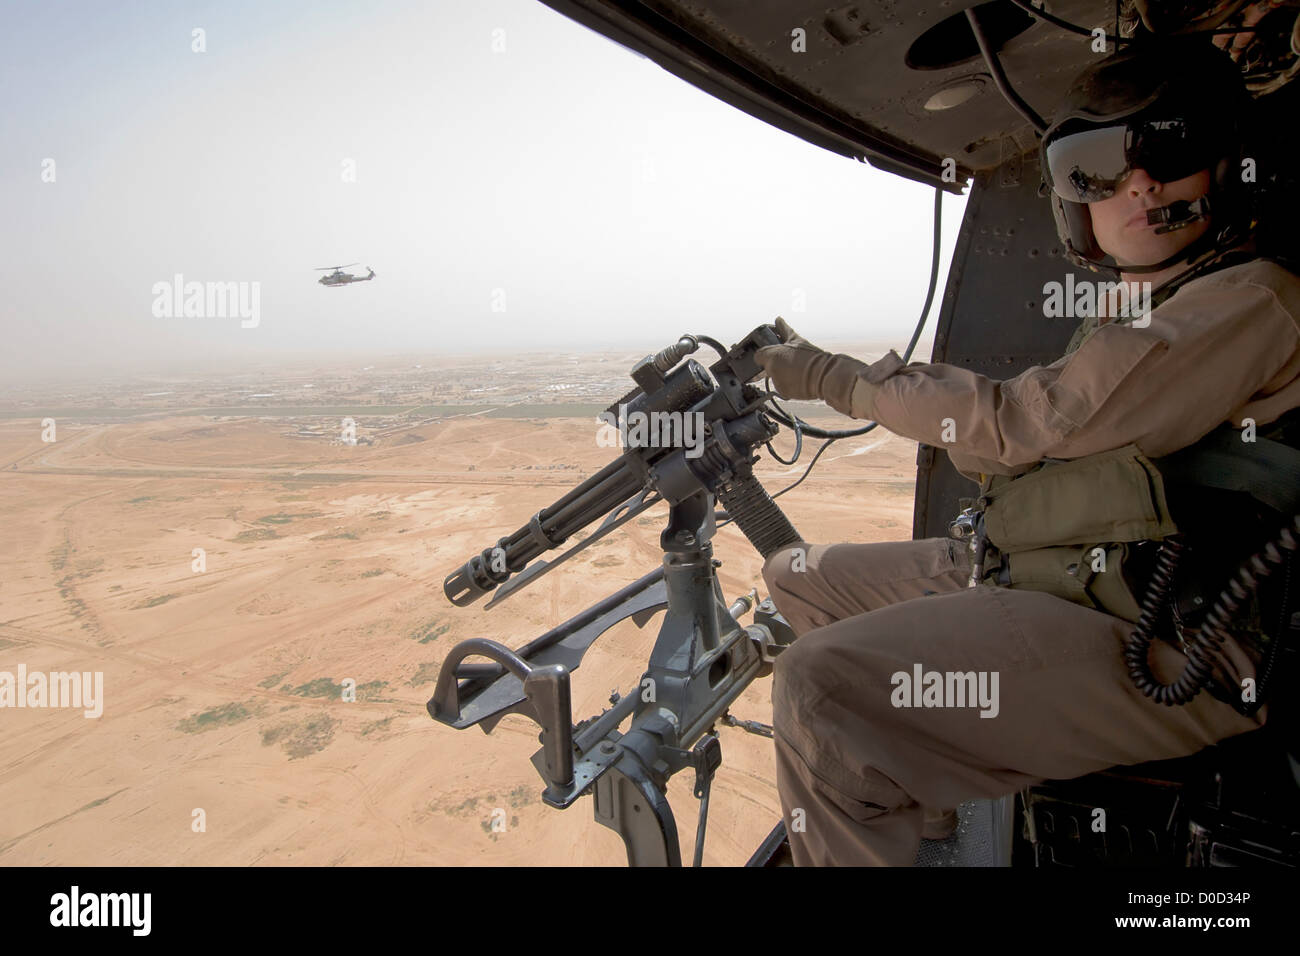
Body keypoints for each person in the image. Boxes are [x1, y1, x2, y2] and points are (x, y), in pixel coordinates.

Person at [752, 38, 1300, 866]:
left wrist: (835, 380)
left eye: (1167, 151)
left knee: (822, 691)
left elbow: (1022, 425)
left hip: (1179, 635)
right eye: (1096, 171)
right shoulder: (1142, 312)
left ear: (1225, 170)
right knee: (799, 576)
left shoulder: (1249, 300)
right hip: (1075, 573)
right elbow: (1018, 451)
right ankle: (922, 814)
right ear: (1073, 204)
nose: (1138, 185)